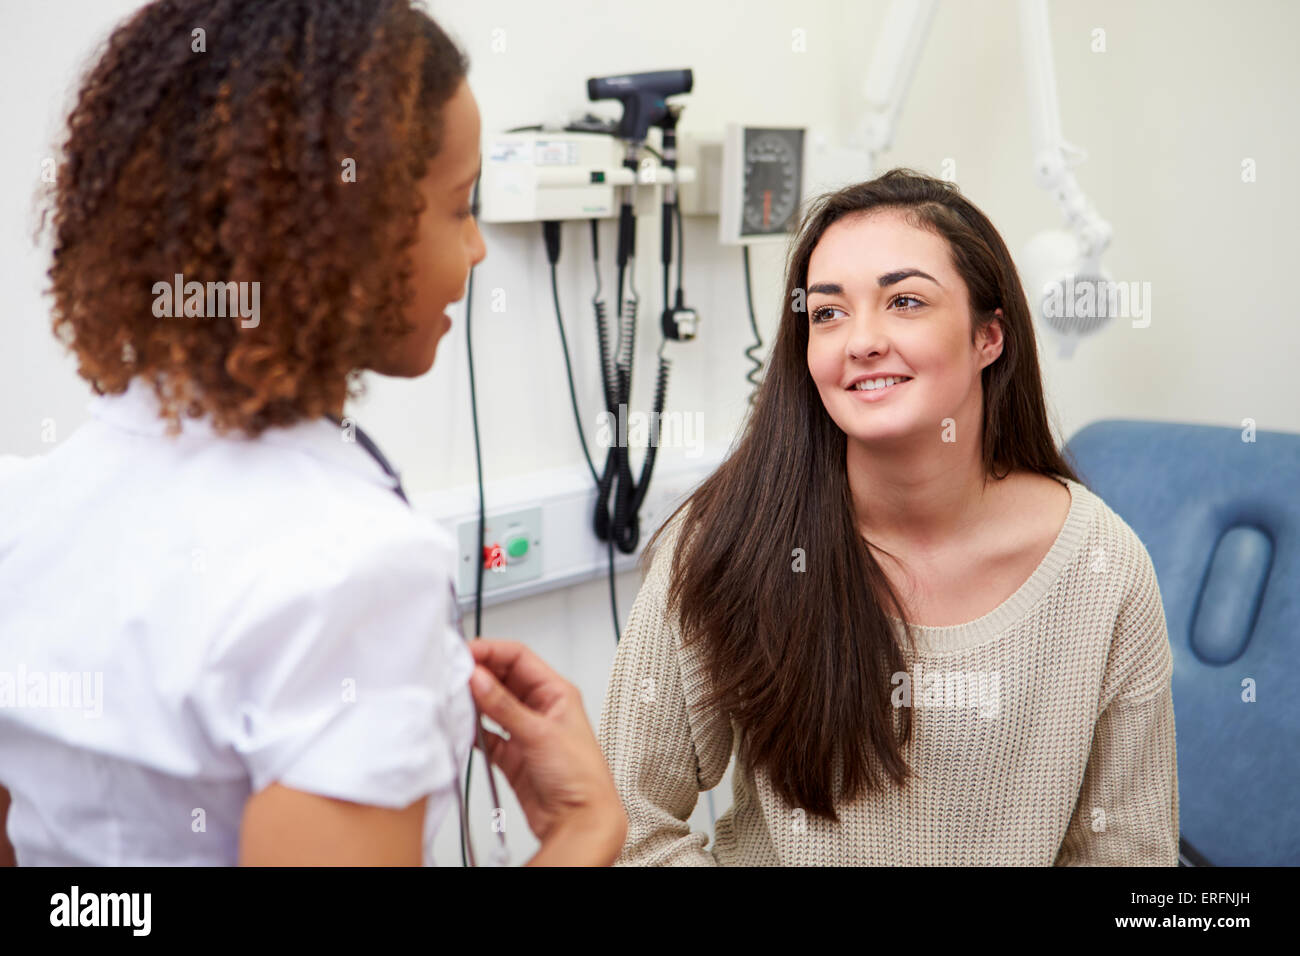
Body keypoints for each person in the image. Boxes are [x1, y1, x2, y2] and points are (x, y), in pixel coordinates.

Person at [0, 0, 624, 866]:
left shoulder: (22, 507)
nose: (479, 249)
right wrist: (585, 829)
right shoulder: (350, 569)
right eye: (458, 206)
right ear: (350, 228)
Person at [599, 169, 1179, 865]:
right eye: (828, 313)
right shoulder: (733, 539)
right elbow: (628, 827)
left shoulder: (1102, 567)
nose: (861, 341)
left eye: (904, 301)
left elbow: (1128, 859)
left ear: (988, 337)